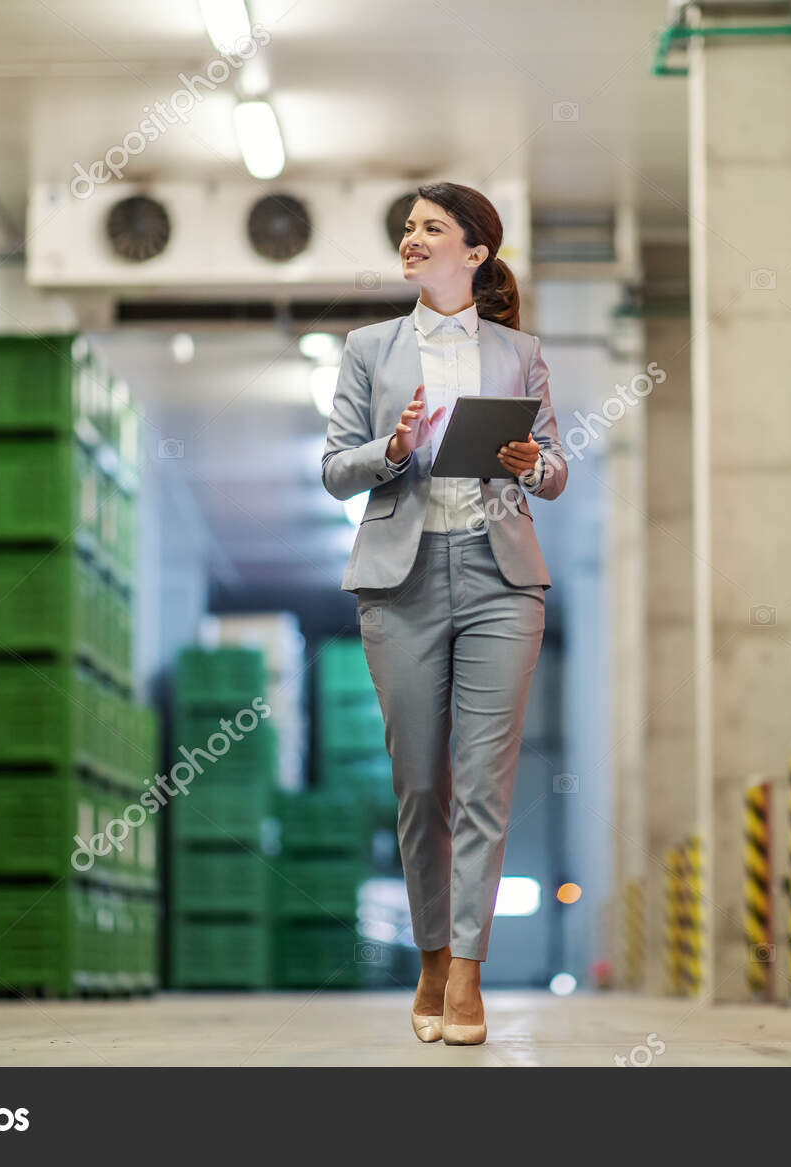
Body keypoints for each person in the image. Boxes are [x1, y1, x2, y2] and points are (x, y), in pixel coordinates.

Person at [320, 181, 567, 1046]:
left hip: (503, 576)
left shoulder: (519, 351)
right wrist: (391, 448)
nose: (412, 240)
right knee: (422, 781)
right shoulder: (369, 348)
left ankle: (466, 972)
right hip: (403, 576)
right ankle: (431, 951)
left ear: (475, 251)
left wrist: (532, 460)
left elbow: (556, 468)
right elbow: (333, 468)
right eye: (408, 229)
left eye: (431, 228)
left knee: (485, 783)